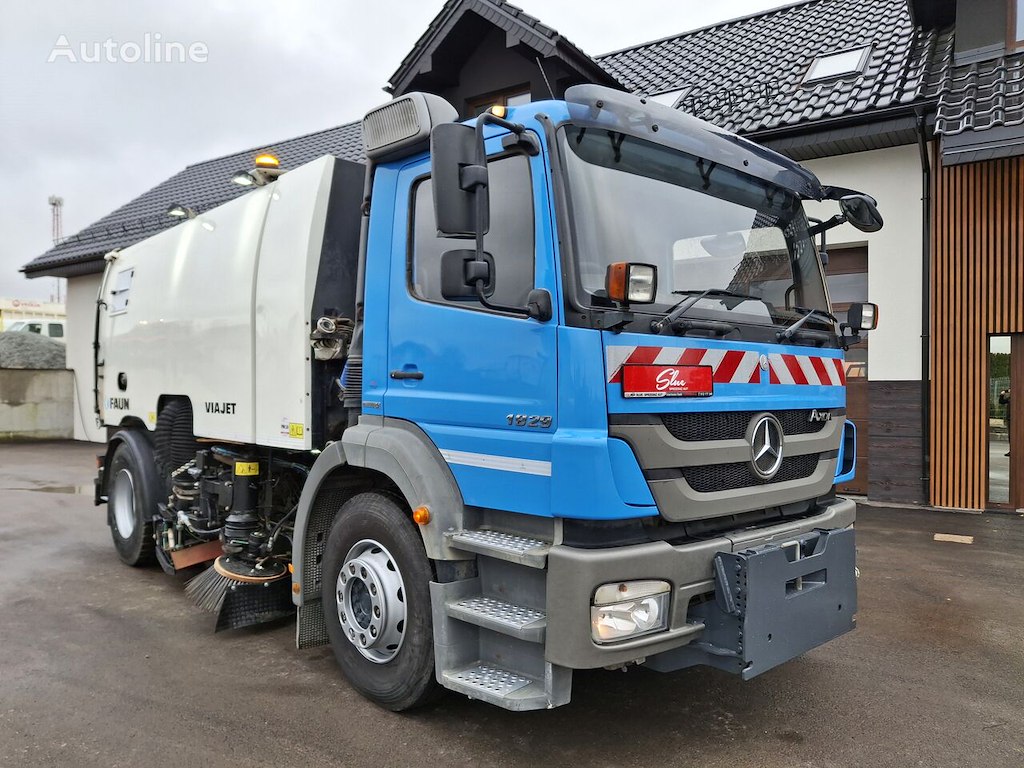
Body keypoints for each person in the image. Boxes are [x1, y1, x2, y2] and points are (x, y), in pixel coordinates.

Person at [998, 388, 1011, 457]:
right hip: (1010, 419)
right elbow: (1001, 401)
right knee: (1010, 436)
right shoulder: (1010, 398)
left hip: (1017, 419)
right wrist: (1001, 395)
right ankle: (1011, 450)